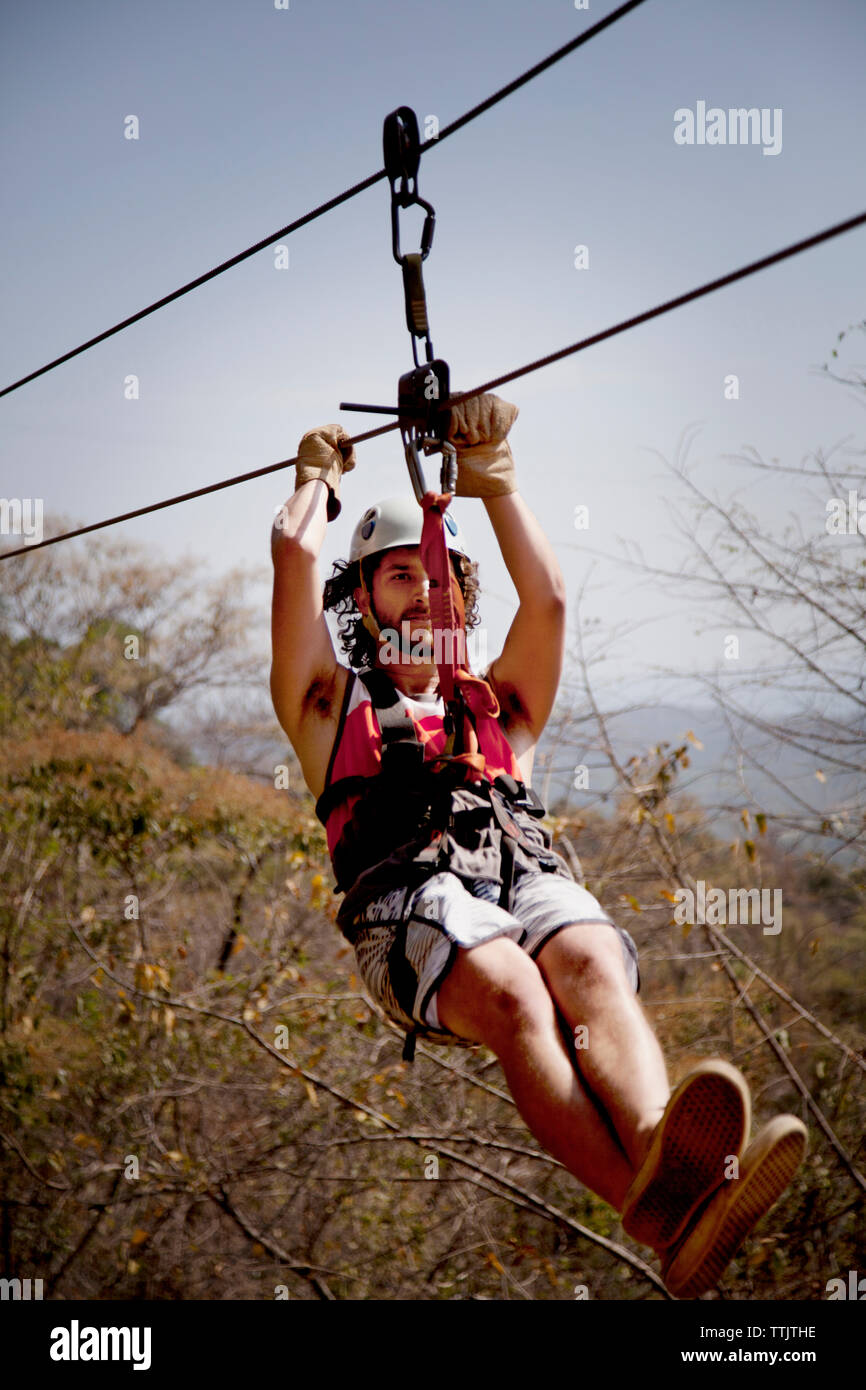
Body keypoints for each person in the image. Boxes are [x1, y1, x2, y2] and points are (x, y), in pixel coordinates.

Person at [269, 393, 806, 1298]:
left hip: (518, 878)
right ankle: (651, 1212)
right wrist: (314, 484)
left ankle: (666, 1175)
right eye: (398, 577)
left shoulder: (498, 705)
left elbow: (548, 598)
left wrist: (494, 479)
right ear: (362, 597)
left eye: (434, 578)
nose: (422, 592)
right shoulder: (330, 704)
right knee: (518, 992)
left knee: (592, 956)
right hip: (408, 912)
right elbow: (291, 555)